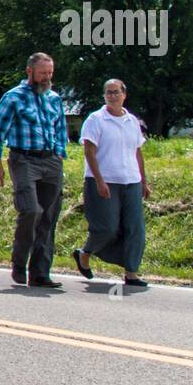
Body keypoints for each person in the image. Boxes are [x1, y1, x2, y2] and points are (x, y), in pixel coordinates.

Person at [0, 52, 69, 287]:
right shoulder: (13, 97)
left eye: (50, 73)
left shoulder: (54, 98)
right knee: (31, 210)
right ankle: (19, 263)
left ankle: (41, 273)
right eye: (43, 73)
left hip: (51, 161)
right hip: (24, 160)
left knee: (48, 217)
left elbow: (60, 129)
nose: (47, 77)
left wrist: (60, 154)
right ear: (29, 71)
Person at [72, 79, 151, 289]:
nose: (112, 96)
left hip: (131, 180)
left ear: (124, 94)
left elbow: (137, 152)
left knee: (136, 228)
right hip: (104, 181)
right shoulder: (96, 119)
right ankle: (85, 252)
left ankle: (131, 273)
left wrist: (144, 181)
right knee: (106, 228)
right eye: (108, 93)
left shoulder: (132, 120)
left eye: (116, 92)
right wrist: (99, 180)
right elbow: (89, 150)